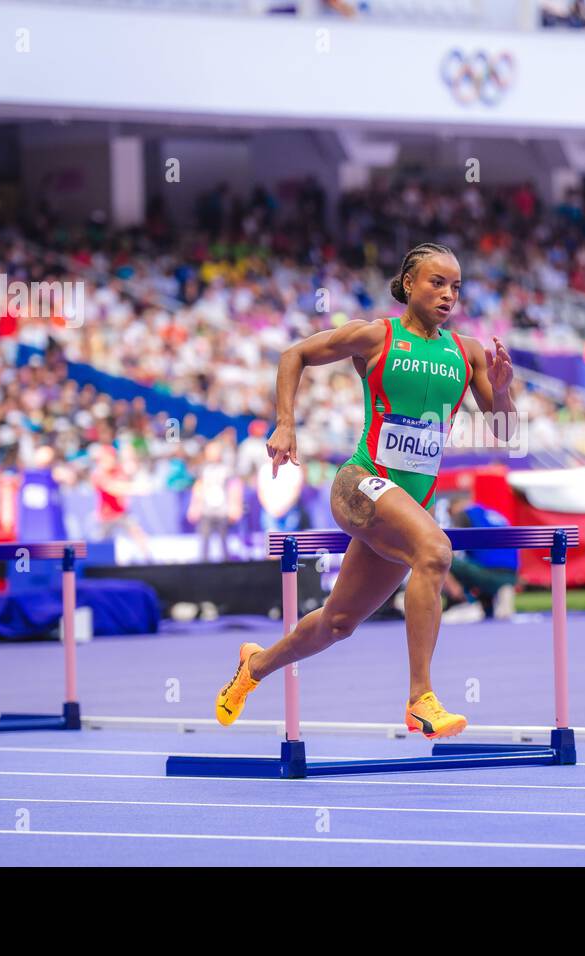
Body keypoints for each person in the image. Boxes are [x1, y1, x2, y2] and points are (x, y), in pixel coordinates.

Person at [214, 241, 518, 738]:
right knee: (437, 551)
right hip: (359, 484)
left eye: (456, 287)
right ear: (408, 284)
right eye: (436, 283)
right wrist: (286, 424)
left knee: (337, 622)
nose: (447, 294)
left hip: (409, 504)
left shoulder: (467, 353)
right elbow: (296, 354)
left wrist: (502, 391)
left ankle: (254, 667)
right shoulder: (377, 336)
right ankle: (421, 699)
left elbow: (507, 434)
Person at [434, 493, 518, 623]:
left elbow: (453, 549)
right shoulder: (492, 514)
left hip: (487, 573)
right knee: (474, 561)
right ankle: (490, 602)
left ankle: (466, 603)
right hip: (512, 576)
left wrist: (452, 585)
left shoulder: (462, 514)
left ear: (454, 507)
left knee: (441, 557)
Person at [188, 440, 243, 562]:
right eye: (210, 451)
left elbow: (234, 487)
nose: (213, 453)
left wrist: (235, 506)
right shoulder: (202, 468)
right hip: (206, 511)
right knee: (204, 542)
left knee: (224, 542)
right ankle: (203, 568)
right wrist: (194, 506)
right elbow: (198, 487)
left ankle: (226, 569)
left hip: (223, 511)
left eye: (215, 450)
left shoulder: (227, 469)